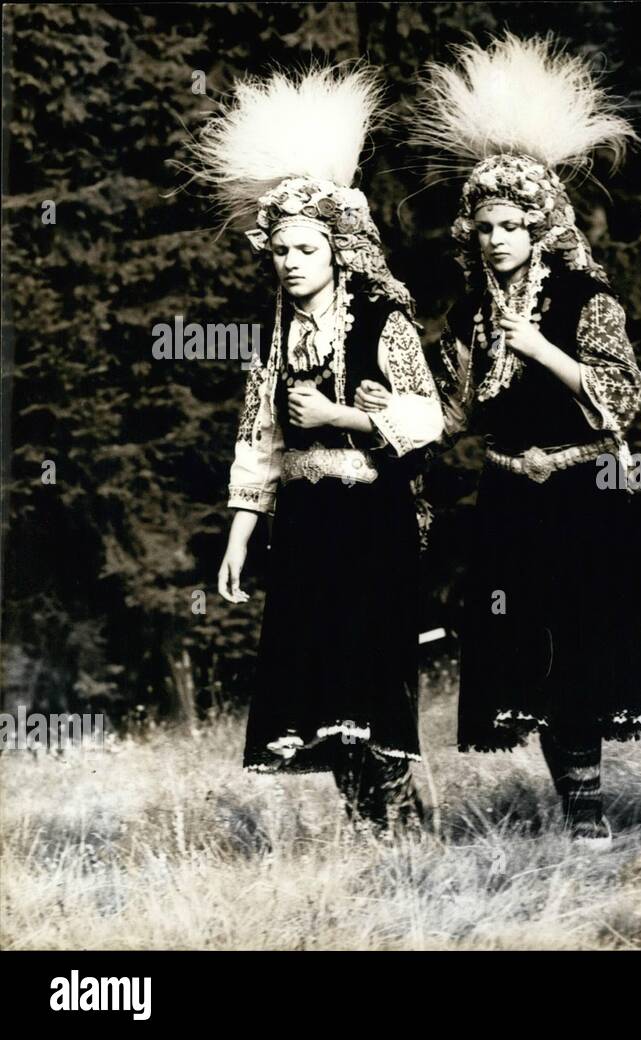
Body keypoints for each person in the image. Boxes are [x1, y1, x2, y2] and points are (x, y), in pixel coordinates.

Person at [407, 34, 641, 846]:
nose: (494, 240)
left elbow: (622, 397)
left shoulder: (587, 301)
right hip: (509, 500)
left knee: (581, 647)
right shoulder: (468, 319)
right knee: (529, 656)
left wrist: (545, 353)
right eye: (483, 226)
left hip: (582, 495)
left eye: (511, 225)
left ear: (540, 228)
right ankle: (575, 804)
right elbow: (455, 412)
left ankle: (590, 809)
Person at [191, 67, 442, 831]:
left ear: (337, 251)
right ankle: (373, 831)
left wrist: (348, 415)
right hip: (304, 526)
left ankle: (407, 821)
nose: (292, 260)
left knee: (370, 674)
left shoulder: (382, 324)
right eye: (281, 250)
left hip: (374, 518)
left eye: (307, 247)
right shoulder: (273, 341)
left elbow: (428, 417)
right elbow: (258, 441)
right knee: (320, 683)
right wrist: (239, 537)